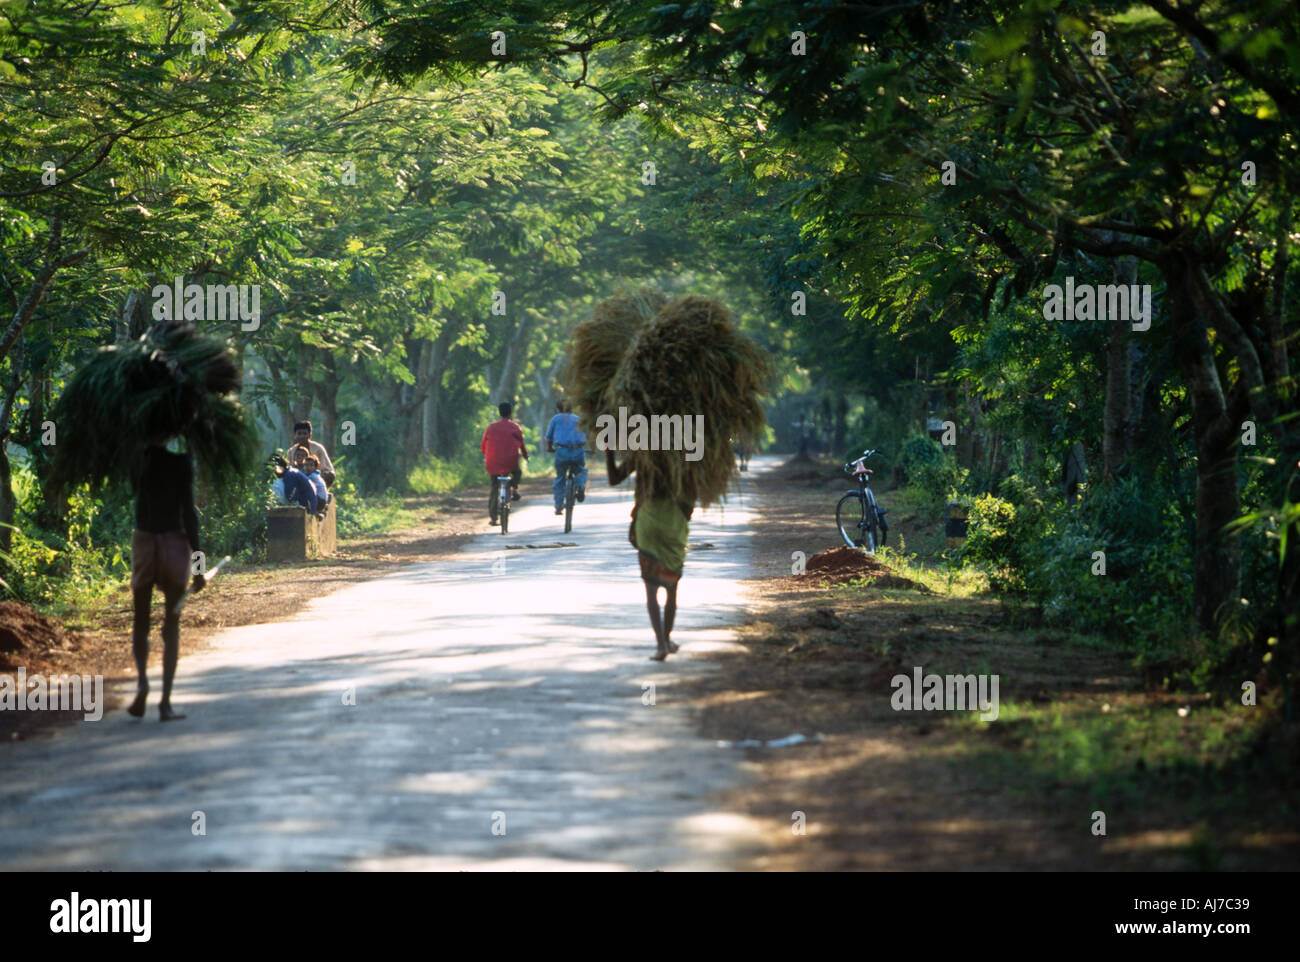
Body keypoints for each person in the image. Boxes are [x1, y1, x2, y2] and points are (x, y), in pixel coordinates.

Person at [128, 441, 204, 722]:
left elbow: (134, 491)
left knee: (141, 621)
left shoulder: (138, 461)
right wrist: (199, 567)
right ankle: (165, 703)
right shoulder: (182, 463)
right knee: (171, 625)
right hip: (174, 543)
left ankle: (142, 683)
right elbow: (189, 514)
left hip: (145, 541)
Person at [606, 449, 694, 661]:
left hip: (648, 520)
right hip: (673, 521)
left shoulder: (643, 452)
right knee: (672, 589)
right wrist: (684, 514)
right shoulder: (682, 452)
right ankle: (666, 638)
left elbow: (615, 479)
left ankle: (661, 644)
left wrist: (609, 453)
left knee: (651, 590)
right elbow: (693, 486)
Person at [480, 401, 528, 526]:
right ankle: (513, 487)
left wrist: (488, 455)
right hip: (510, 462)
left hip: (492, 463)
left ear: (499, 413)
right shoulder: (515, 427)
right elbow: (522, 445)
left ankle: (493, 518)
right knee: (517, 472)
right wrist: (525, 455)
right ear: (510, 413)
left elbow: (483, 446)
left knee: (494, 487)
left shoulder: (491, 427)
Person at [545, 399, 588, 515]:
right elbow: (584, 439)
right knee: (580, 471)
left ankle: (558, 506)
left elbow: (549, 438)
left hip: (561, 451)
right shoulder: (578, 419)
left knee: (560, 477)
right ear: (571, 408)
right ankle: (580, 485)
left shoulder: (555, 419)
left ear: (558, 409)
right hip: (577, 451)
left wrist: (550, 448)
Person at [289, 420, 335, 487]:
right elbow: (289, 468)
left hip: (316, 477)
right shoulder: (291, 451)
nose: (302, 436)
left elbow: (328, 469)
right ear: (295, 435)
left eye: (305, 433)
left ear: (310, 435)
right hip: (298, 478)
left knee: (330, 475)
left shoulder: (318, 448)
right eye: (299, 433)